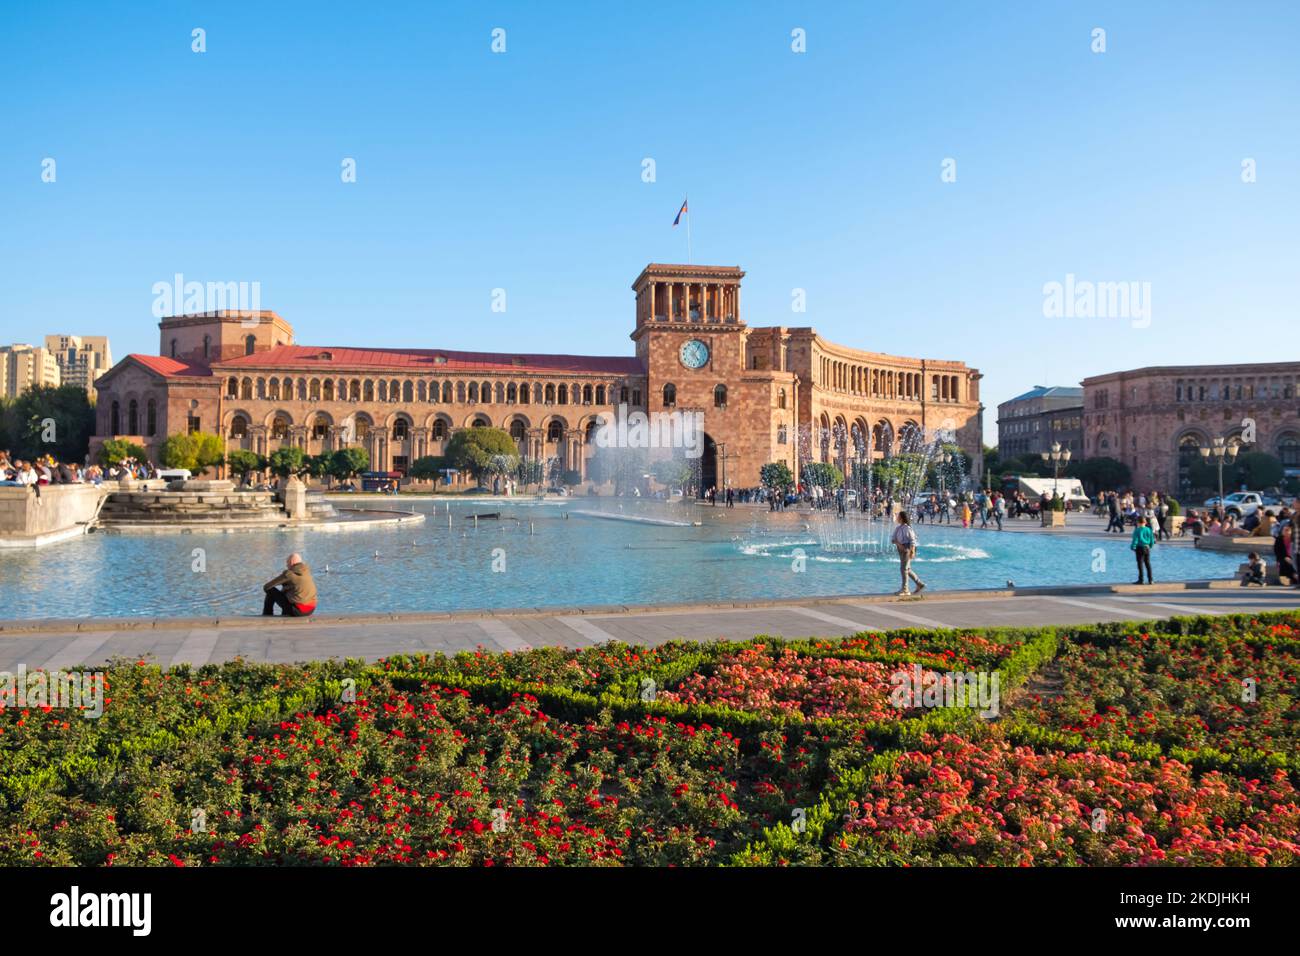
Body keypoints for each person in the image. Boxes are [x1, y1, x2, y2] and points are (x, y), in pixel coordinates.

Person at [262, 552, 318, 617]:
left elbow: (266, 587)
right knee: (288, 594)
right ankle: (284, 613)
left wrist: (284, 585)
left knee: (271, 590)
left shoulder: (289, 574)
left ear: (292, 562)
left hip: (298, 611)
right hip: (311, 610)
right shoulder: (306, 571)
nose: (286, 565)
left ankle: (267, 614)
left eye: (287, 563)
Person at [891, 511, 926, 597]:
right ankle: (919, 584)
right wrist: (897, 543)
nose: (897, 518)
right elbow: (893, 539)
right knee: (907, 569)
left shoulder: (907, 528)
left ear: (902, 518)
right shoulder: (898, 528)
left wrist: (912, 551)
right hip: (900, 549)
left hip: (907, 549)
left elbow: (913, 540)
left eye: (898, 516)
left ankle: (905, 589)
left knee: (904, 569)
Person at [1130, 515, 1155, 585]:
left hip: (1139, 548)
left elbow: (1135, 540)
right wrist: (1150, 546)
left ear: (1138, 522)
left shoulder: (1137, 530)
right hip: (1147, 548)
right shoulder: (1149, 529)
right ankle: (1151, 580)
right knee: (1148, 564)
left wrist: (1132, 547)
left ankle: (1141, 580)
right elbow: (1152, 540)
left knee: (1140, 564)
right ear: (1145, 522)